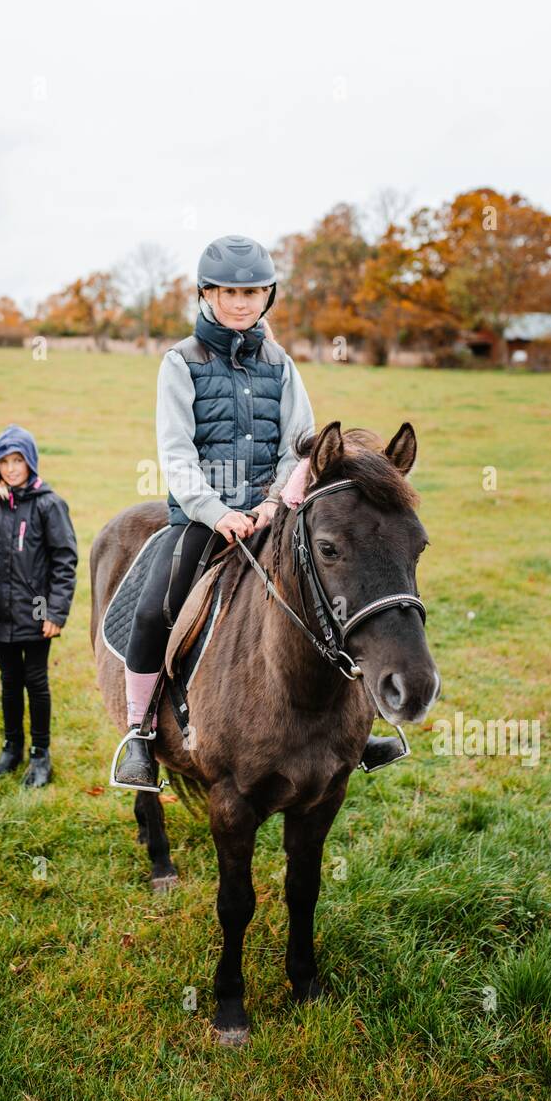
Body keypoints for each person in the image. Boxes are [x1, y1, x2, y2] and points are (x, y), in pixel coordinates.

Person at [113, 233, 315, 790]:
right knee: (155, 610)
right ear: (207, 294)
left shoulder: (281, 365)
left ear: (267, 296)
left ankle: (352, 724)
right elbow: (176, 454)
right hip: (203, 520)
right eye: (230, 292)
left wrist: (275, 502)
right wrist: (217, 512)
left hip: (274, 514)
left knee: (335, 589)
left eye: (253, 293)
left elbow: (300, 445)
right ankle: (139, 734)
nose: (242, 303)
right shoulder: (181, 361)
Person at [0, 426, 78, 788]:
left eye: (18, 461)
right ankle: (11, 747)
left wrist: (56, 612)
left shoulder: (48, 504)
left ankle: (40, 754)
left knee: (35, 680)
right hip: (1, 611)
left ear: (30, 462)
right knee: (10, 682)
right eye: (5, 462)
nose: (12, 469)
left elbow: (64, 559)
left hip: (38, 612)